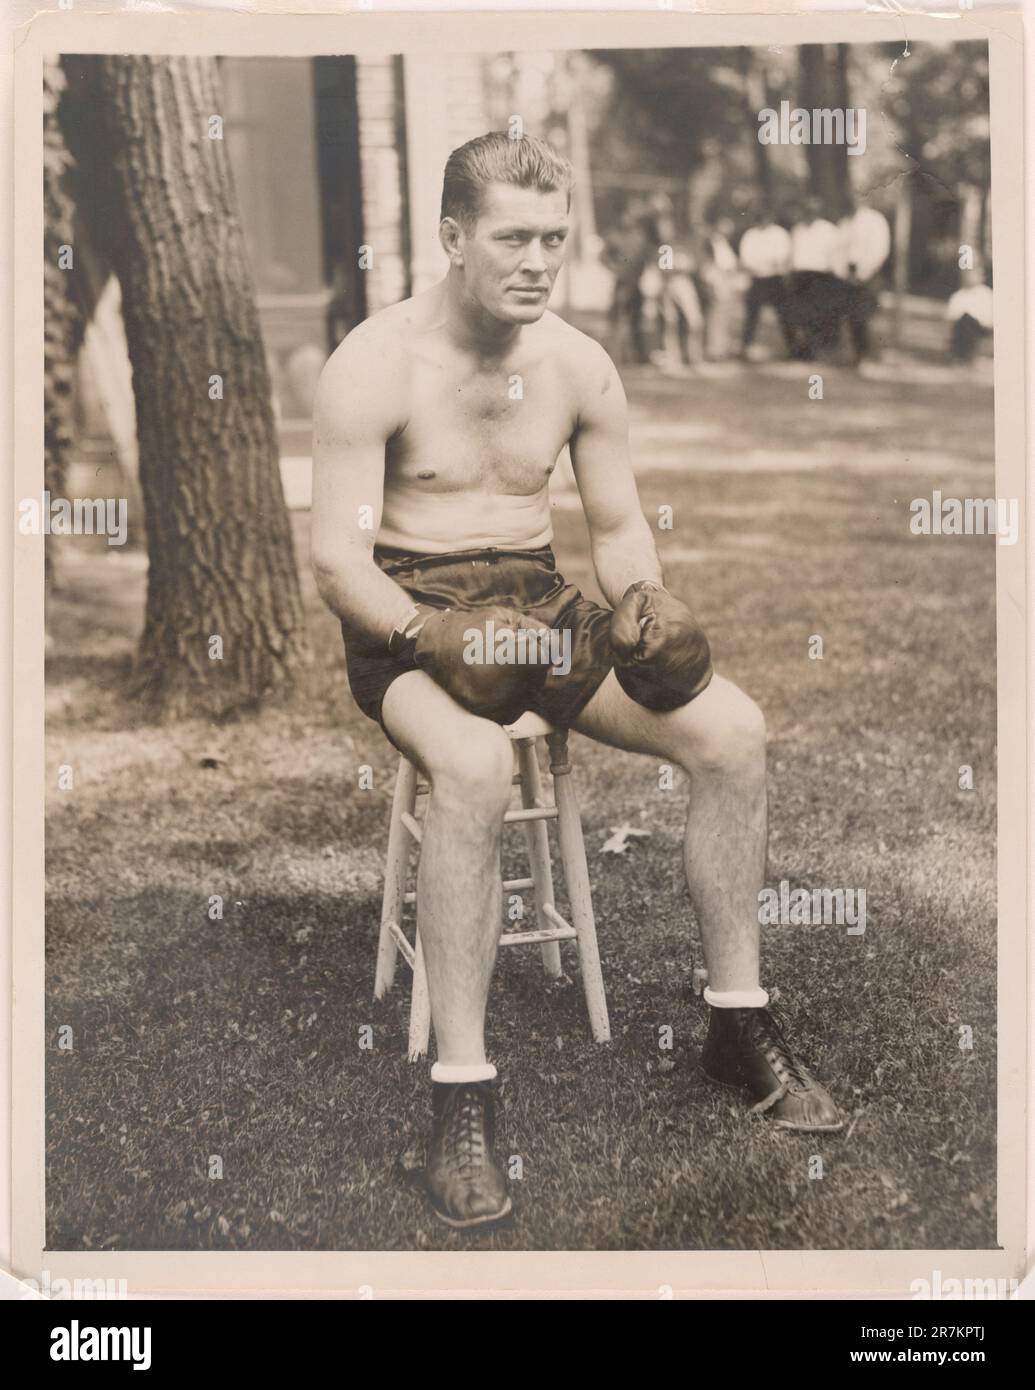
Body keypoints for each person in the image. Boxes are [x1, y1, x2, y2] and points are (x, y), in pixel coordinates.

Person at [311, 132, 843, 1231]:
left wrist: (643, 601)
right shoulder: (374, 361)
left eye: (554, 238)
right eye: (513, 237)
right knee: (469, 770)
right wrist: (423, 633)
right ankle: (463, 1095)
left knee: (733, 732)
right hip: (409, 612)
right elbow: (336, 562)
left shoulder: (577, 364)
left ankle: (736, 1023)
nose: (537, 261)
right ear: (454, 236)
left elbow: (614, 525)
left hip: (542, 610)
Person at [837, 197, 892, 365]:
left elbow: (880, 249)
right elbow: (838, 250)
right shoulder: (845, 223)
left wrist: (864, 273)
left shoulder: (875, 220)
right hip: (848, 273)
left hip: (869, 272)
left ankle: (873, 355)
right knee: (852, 316)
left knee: (868, 315)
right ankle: (857, 355)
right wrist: (844, 274)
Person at [788, 195, 844, 359]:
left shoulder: (829, 230)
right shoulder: (797, 229)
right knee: (801, 314)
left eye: (813, 211)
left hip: (821, 276)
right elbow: (793, 254)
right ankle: (804, 351)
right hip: (800, 275)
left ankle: (819, 351)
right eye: (806, 211)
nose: (809, 214)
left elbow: (836, 256)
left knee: (819, 314)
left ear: (819, 212)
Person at [738, 204, 794, 359]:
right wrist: (759, 266)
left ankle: (793, 348)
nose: (763, 220)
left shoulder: (779, 234)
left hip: (775, 279)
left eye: (766, 217)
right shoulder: (751, 235)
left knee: (785, 314)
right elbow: (746, 258)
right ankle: (745, 348)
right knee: (752, 315)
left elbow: (780, 257)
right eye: (760, 217)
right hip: (757, 279)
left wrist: (767, 264)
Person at [601, 199, 651, 365]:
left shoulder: (640, 236)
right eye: (626, 214)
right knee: (617, 321)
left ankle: (637, 357)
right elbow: (603, 257)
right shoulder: (613, 236)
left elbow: (648, 257)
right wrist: (616, 270)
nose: (629, 218)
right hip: (621, 284)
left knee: (637, 321)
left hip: (637, 284)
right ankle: (614, 357)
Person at [946, 269, 993, 363]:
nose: (971, 278)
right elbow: (951, 317)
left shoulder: (986, 293)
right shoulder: (958, 295)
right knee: (964, 322)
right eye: (969, 275)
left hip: (981, 327)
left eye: (974, 275)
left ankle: (965, 356)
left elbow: (990, 317)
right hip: (962, 327)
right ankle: (960, 356)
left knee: (969, 322)